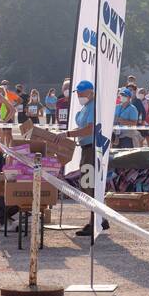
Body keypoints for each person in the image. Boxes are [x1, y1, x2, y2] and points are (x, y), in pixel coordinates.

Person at [65, 80, 108, 236]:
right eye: (78, 93)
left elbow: (89, 129)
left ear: (90, 92)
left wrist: (69, 134)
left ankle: (95, 221)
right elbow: (81, 128)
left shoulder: (93, 107)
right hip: (86, 149)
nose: (80, 96)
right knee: (87, 184)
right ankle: (100, 218)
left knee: (89, 185)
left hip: (92, 149)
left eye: (82, 93)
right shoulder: (85, 108)